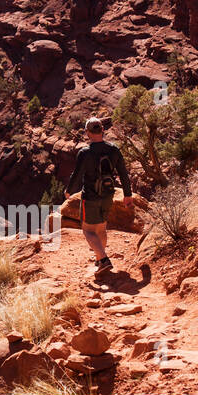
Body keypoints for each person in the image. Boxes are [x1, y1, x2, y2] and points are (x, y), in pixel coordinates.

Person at [67, 117, 133, 276]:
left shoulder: (85, 152)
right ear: (102, 130)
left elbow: (77, 174)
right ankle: (99, 259)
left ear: (87, 133)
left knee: (88, 230)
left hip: (90, 196)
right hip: (107, 194)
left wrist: (69, 191)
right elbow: (123, 173)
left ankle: (103, 259)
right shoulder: (114, 149)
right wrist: (128, 194)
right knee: (101, 227)